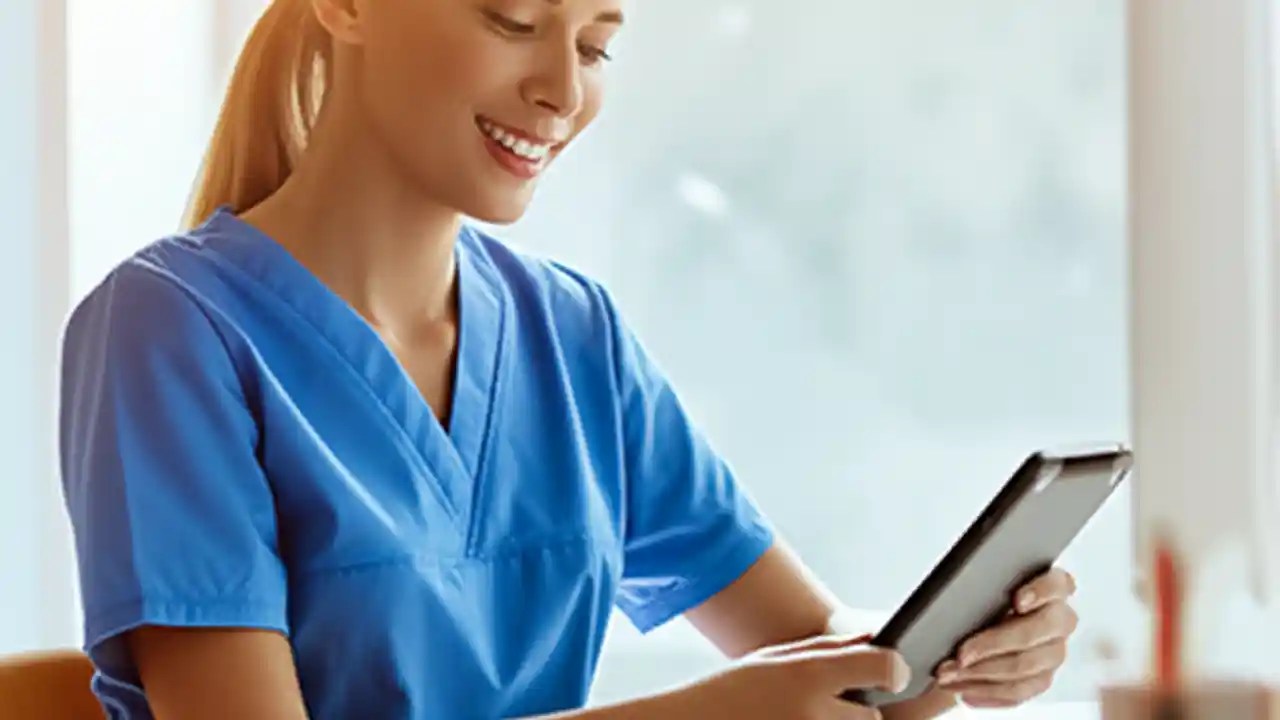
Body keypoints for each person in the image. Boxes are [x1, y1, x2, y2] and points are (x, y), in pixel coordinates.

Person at [57, 1, 1081, 718]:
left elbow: (808, 642)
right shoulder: (172, 330)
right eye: (512, 22)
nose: (559, 90)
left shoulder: (570, 334)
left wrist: (951, 655)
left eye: (594, 44)